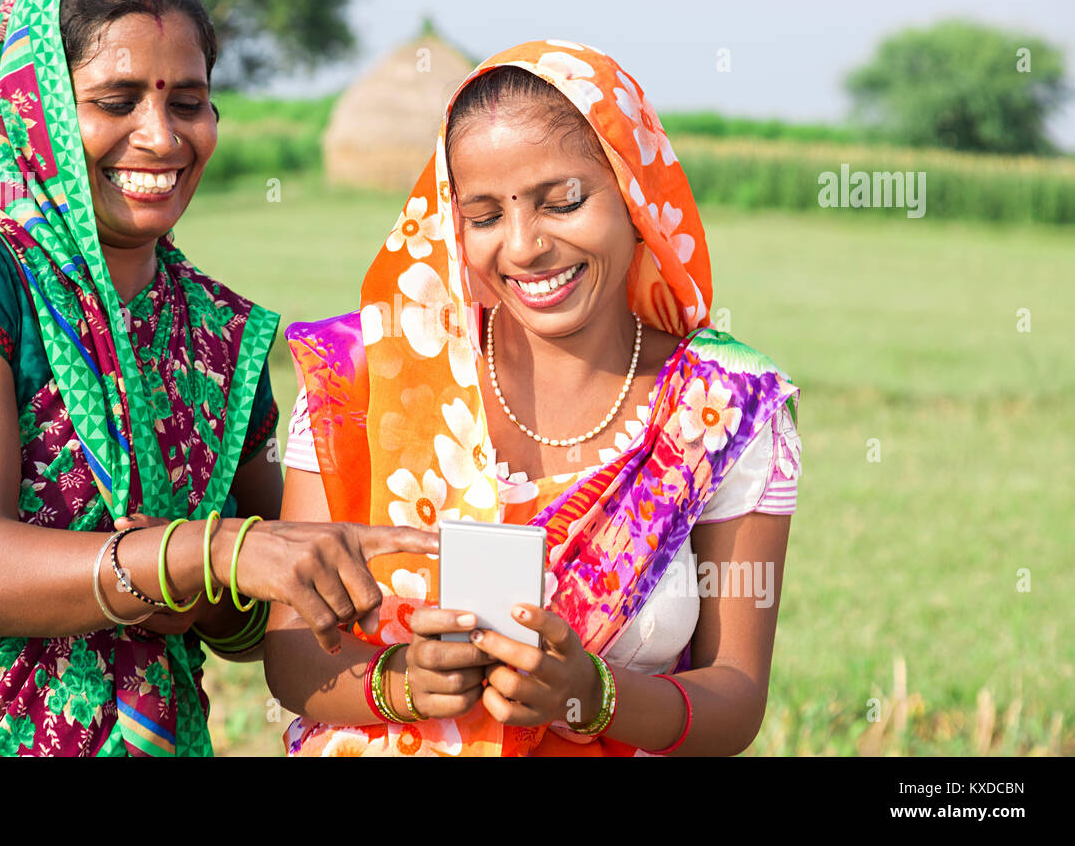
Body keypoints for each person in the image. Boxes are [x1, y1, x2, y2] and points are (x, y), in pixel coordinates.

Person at [0, 0, 433, 757]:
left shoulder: (220, 334)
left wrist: (212, 584)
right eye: (116, 102)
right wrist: (202, 552)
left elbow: (262, 611)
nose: (160, 136)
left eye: (188, 103)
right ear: (37, 111)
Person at [264, 40, 803, 756]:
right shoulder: (363, 380)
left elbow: (734, 694)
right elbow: (293, 655)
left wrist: (592, 696)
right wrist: (401, 684)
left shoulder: (719, 410)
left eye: (563, 202)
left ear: (634, 193)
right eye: (485, 215)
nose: (523, 247)